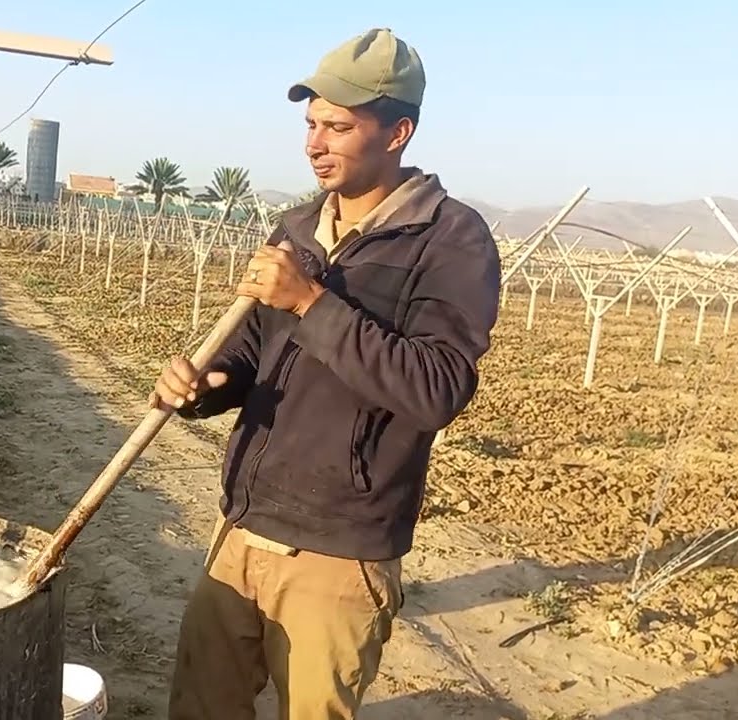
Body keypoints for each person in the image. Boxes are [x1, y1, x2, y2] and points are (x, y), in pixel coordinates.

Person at [155, 28, 502, 719]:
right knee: (201, 705)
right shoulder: (297, 227)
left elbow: (435, 388)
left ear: (398, 131)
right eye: (311, 124)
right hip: (243, 528)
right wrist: (204, 386)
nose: (314, 143)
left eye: (338, 126)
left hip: (339, 555)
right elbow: (251, 353)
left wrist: (312, 302)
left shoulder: (451, 240)